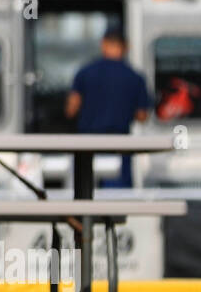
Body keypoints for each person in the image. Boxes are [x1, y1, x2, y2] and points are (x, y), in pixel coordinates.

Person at [65, 28, 153, 187]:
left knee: (82, 195)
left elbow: (71, 110)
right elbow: (142, 116)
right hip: (119, 146)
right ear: (126, 47)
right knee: (117, 200)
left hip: (87, 145)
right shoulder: (135, 77)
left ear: (103, 44)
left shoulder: (85, 72)